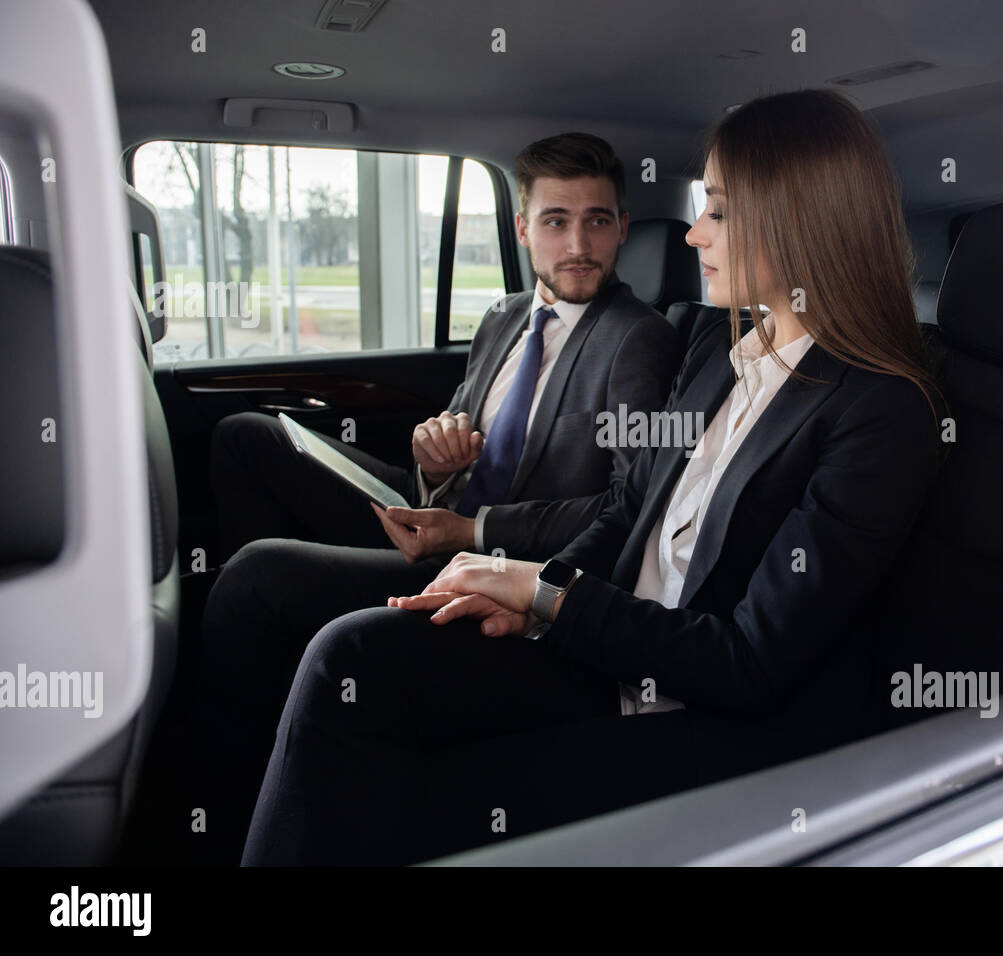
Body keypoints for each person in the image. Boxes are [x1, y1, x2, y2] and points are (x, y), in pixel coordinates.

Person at [242, 89, 946, 866]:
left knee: (396, 743)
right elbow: (628, 508)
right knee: (353, 656)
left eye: (718, 209)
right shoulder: (719, 350)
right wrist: (537, 589)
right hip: (610, 648)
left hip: (705, 710)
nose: (692, 232)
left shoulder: (882, 412)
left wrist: (547, 598)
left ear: (798, 218)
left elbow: (749, 662)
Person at [192, 132, 680, 862]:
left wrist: (469, 528)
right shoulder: (504, 317)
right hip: (435, 508)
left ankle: (223, 804)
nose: (578, 243)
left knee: (258, 577)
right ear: (522, 229)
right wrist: (430, 460)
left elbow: (625, 504)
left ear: (622, 227)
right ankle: (269, 688)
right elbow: (450, 433)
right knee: (247, 436)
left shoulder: (635, 337)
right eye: (555, 220)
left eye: (598, 220)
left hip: (493, 556)